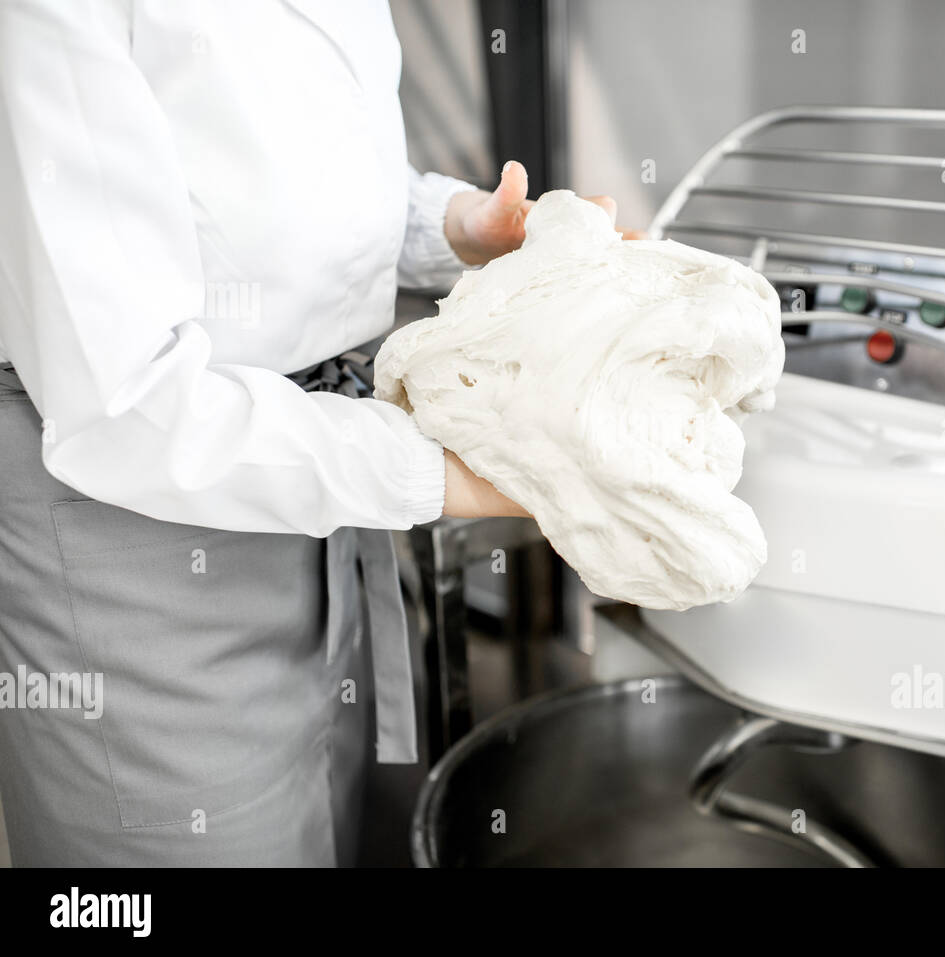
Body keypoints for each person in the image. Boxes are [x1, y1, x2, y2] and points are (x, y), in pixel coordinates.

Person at [0, 0, 631, 866]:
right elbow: (125, 399)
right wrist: (442, 471)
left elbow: (270, 175)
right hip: (138, 546)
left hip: (316, 506)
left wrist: (450, 227)